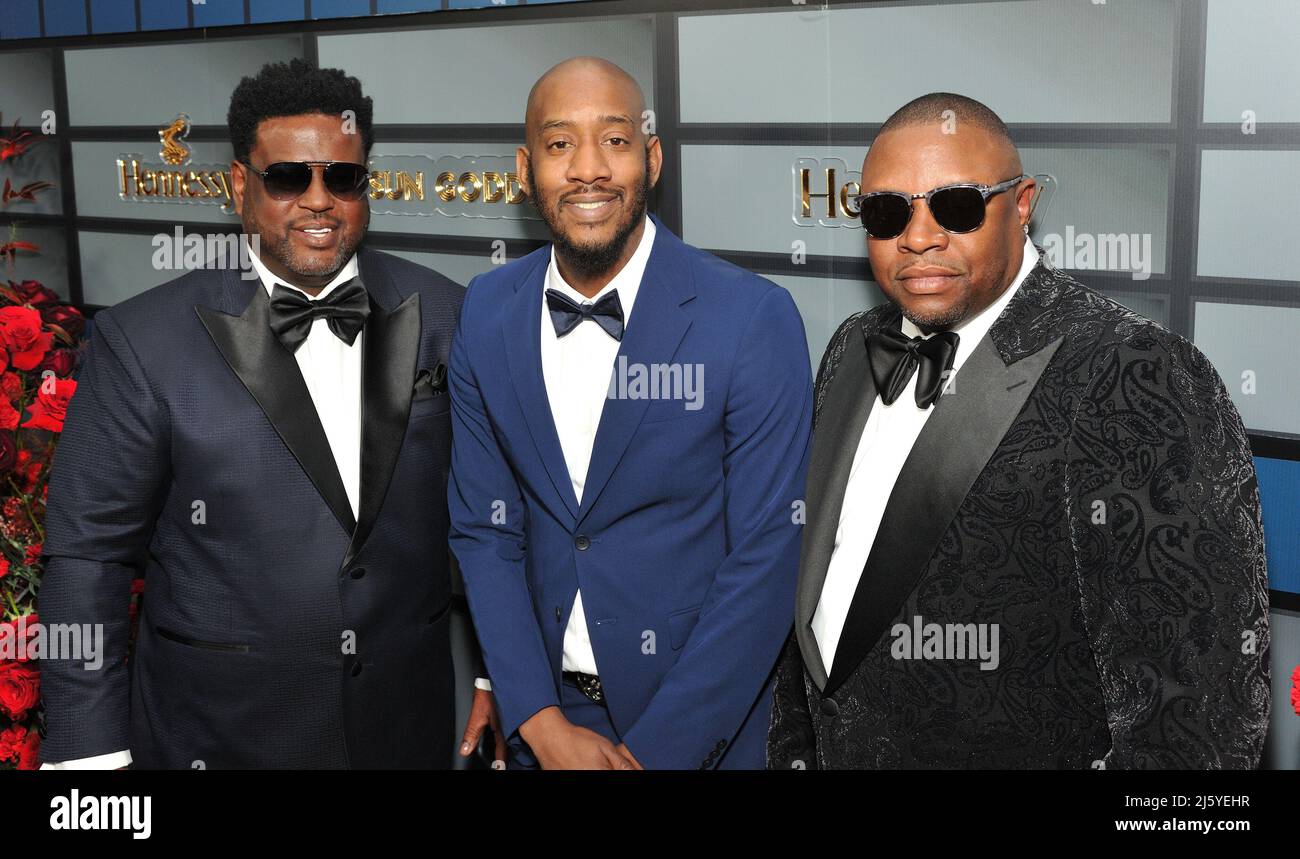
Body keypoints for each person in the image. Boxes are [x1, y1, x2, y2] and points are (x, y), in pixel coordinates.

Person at [767, 92, 1271, 769]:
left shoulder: (1137, 373)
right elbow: (815, 635)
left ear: (1023, 201)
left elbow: (1198, 726)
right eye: (888, 212)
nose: (918, 237)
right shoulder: (853, 349)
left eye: (956, 206)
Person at [38, 59, 466, 768]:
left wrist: (494, 674)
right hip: (220, 734)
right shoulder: (143, 342)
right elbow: (87, 559)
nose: (319, 200)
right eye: (289, 178)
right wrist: (89, 761)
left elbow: (493, 514)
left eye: (343, 177)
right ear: (241, 187)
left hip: (406, 728)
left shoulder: (449, 312)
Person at [448, 57, 811, 769]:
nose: (589, 169)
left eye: (614, 141)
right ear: (526, 170)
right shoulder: (487, 311)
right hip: (547, 728)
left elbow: (770, 558)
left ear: (651, 159)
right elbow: (484, 532)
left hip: (707, 730)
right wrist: (540, 723)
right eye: (559, 145)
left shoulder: (750, 316)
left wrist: (651, 756)